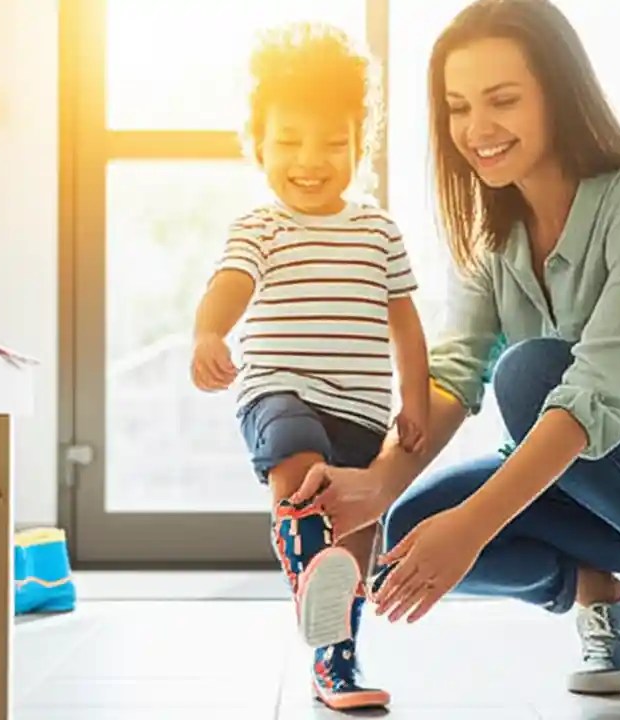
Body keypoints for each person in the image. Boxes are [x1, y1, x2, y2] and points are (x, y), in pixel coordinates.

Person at [292, 0, 620, 704]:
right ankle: (605, 596)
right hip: (605, 491)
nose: (477, 129)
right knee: (408, 527)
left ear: (558, 94)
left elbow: (598, 391)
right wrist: (375, 487)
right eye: (459, 107)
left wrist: (470, 528)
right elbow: (455, 373)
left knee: (533, 375)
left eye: (503, 100)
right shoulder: (493, 235)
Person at [189, 21, 428, 712]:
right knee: (296, 450)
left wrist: (413, 401)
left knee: (354, 546)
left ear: (361, 143)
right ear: (258, 144)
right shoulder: (261, 227)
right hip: (280, 392)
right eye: (288, 141)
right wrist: (209, 332)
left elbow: (405, 324)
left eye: (333, 143)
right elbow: (230, 284)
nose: (311, 160)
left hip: (360, 413)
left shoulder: (379, 230)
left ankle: (337, 663)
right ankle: (302, 556)